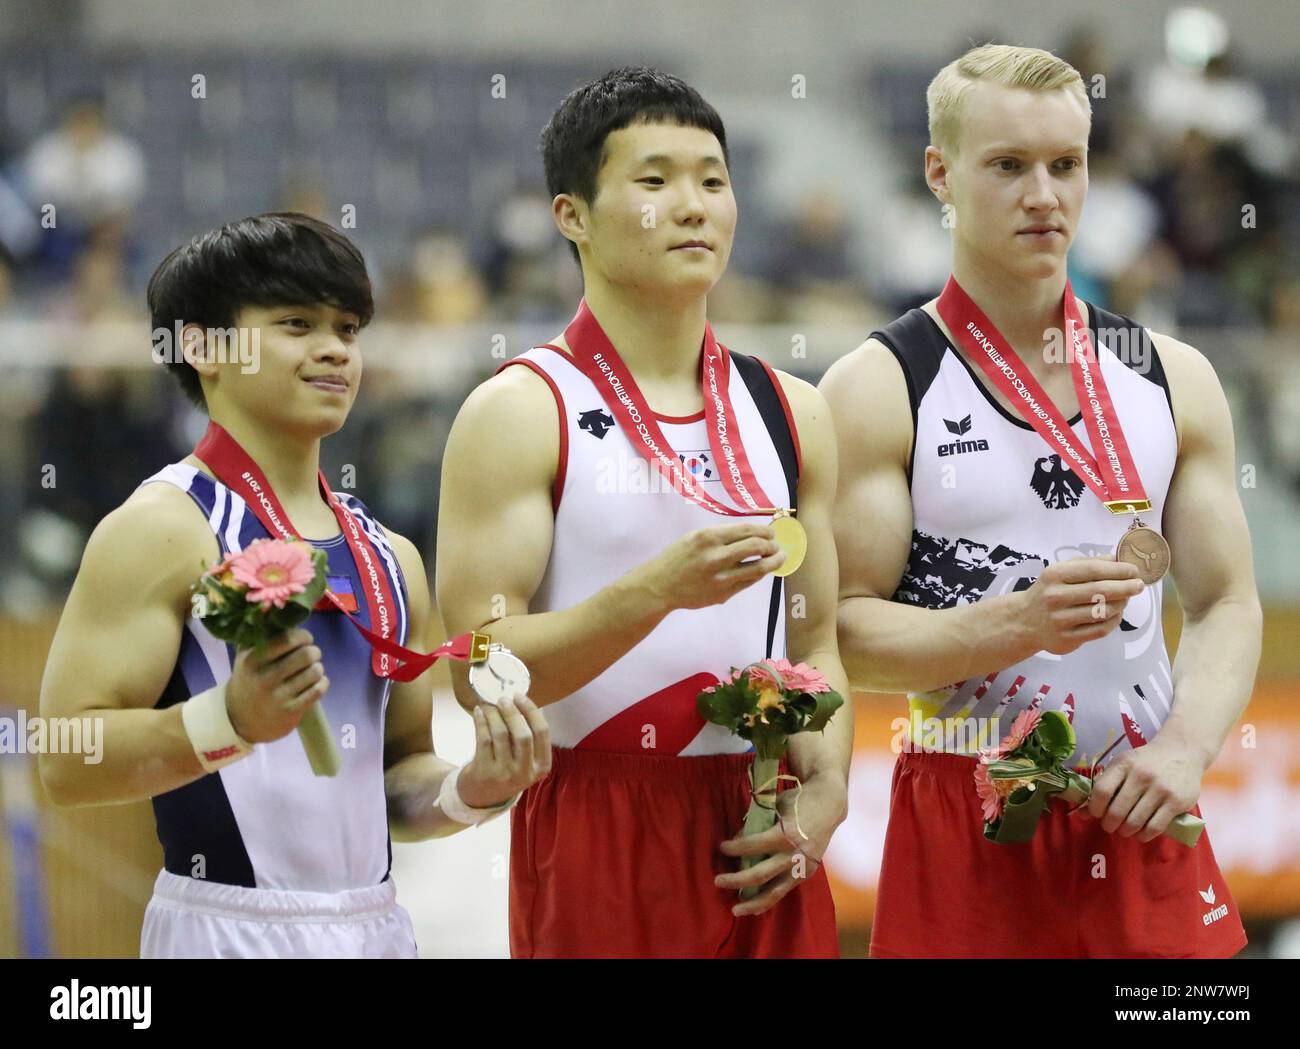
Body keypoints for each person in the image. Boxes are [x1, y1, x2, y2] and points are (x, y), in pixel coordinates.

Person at [821, 44, 1261, 958]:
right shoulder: (880, 386)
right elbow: (839, 632)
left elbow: (1226, 601)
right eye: (1009, 166)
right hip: (966, 809)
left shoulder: (1172, 378)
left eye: (1067, 165)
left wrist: (1187, 747)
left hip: (1139, 795)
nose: (1044, 195)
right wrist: (1010, 625)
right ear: (939, 172)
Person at [38, 213, 550, 958]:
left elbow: (396, 773)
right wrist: (230, 721)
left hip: (374, 924)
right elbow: (63, 757)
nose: (334, 350)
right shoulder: (164, 528)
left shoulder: (391, 556)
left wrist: (469, 787)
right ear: (204, 346)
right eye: (296, 324)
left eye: (347, 328)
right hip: (224, 926)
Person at [435, 68, 853, 958]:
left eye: (713, 179)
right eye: (655, 181)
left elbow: (816, 645)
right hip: (599, 810)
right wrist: (655, 591)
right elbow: (478, 668)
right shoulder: (519, 410)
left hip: (760, 810)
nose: (695, 205)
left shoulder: (793, 409)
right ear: (571, 215)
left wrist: (829, 786)